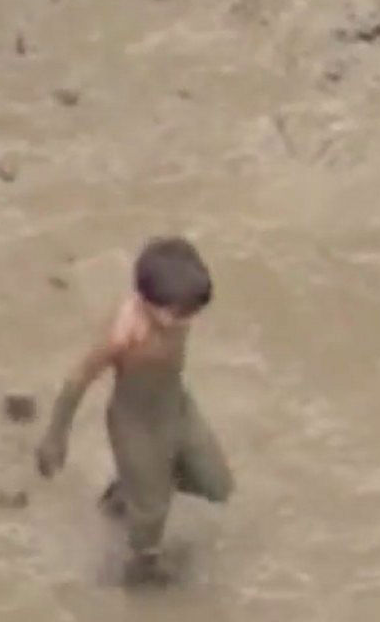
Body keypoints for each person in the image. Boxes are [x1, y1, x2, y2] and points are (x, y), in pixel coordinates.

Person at [34, 237, 233, 585]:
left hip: (177, 407)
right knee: (152, 512)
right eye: (179, 312)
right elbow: (78, 378)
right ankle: (140, 569)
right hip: (136, 425)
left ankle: (129, 489)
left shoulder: (177, 307)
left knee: (217, 485)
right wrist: (56, 435)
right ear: (144, 299)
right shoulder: (125, 333)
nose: (187, 319)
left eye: (192, 311)